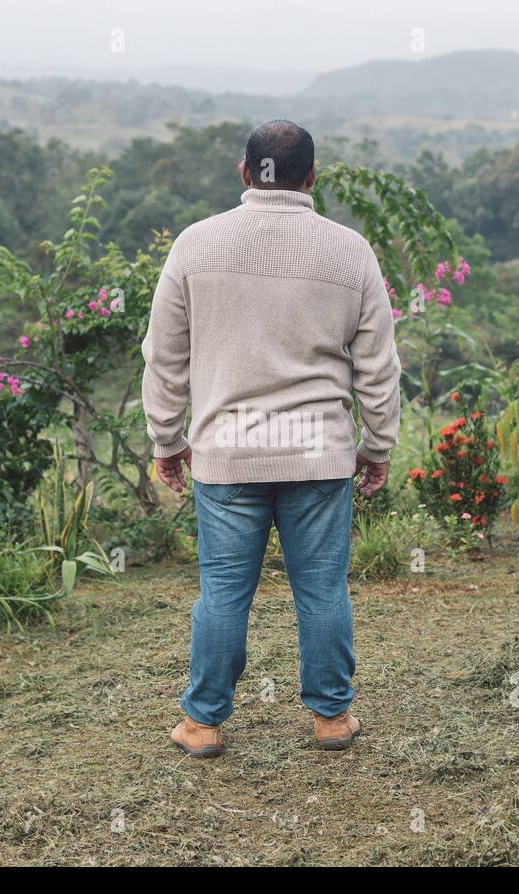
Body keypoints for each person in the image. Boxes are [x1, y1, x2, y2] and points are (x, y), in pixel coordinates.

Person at [141, 119, 401, 758]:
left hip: (228, 454)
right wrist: (377, 446)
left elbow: (164, 355)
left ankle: (203, 723)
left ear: (244, 171)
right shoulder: (349, 251)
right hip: (319, 452)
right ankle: (332, 718)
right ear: (312, 176)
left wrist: (167, 439)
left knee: (224, 592)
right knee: (322, 588)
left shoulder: (198, 246)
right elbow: (378, 366)